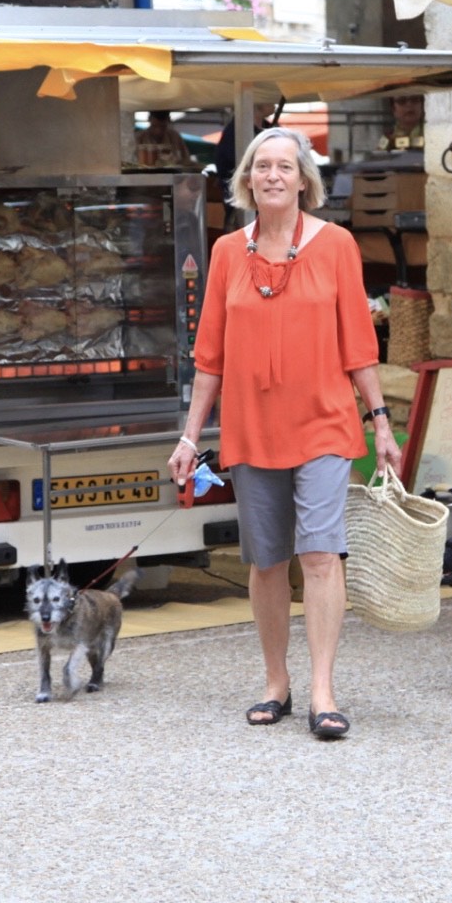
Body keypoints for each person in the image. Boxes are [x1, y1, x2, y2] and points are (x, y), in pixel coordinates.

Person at [169, 126, 401, 741]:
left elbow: (359, 342)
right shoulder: (226, 253)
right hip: (252, 426)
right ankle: (277, 683)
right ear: (246, 181)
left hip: (325, 421)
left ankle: (323, 691)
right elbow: (209, 356)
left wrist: (380, 422)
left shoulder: (337, 245)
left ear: (304, 180)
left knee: (321, 553)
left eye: (284, 167)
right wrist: (191, 438)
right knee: (267, 560)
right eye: (261, 167)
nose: (272, 176)